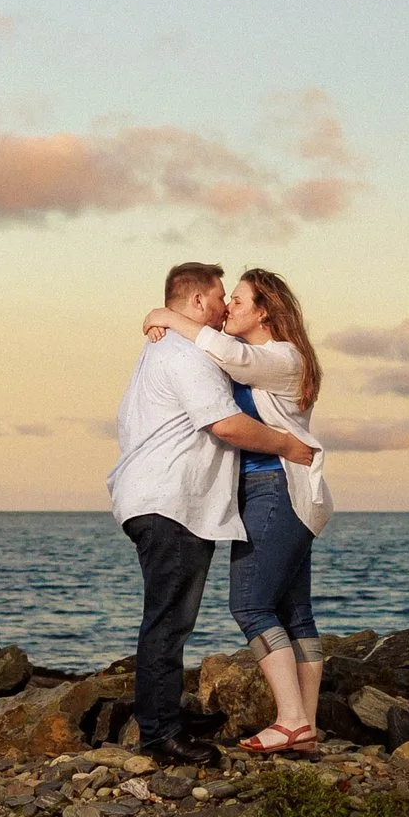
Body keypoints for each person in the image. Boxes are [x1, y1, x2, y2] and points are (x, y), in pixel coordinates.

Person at [108, 261, 316, 767]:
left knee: (173, 618)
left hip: (160, 498)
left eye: (235, 298)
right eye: (222, 296)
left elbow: (236, 363)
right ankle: (160, 733)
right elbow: (226, 425)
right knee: (170, 621)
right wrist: (289, 445)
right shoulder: (188, 354)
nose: (226, 306)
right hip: (172, 502)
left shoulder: (169, 347)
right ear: (200, 302)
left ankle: (170, 717)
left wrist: (163, 316)